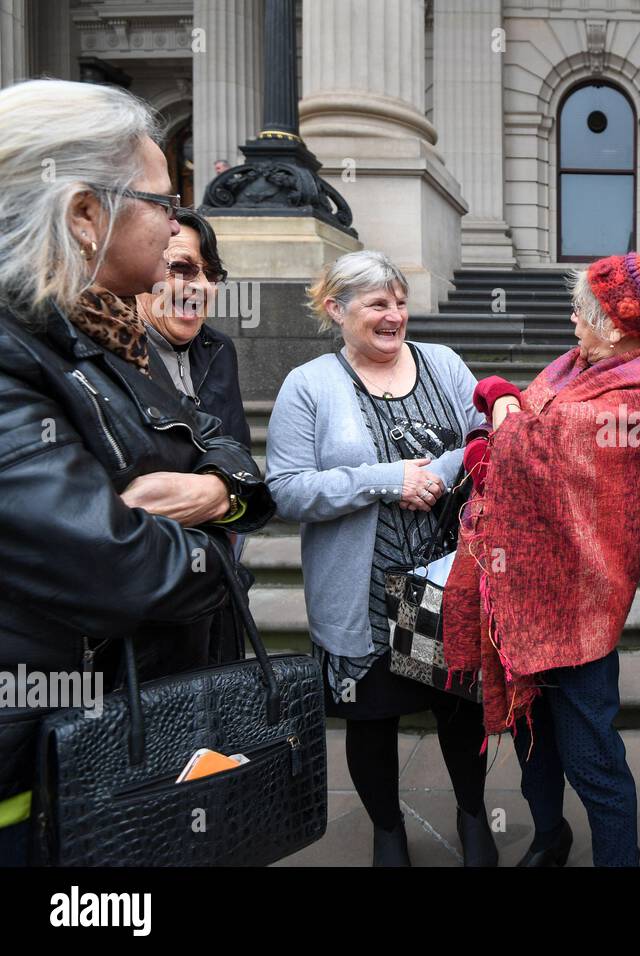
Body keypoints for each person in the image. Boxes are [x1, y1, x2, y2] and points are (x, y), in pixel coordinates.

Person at [0, 79, 274, 866]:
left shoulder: (87, 341)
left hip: (115, 742)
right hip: (39, 787)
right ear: (85, 214)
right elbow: (119, 567)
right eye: (161, 198)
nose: (176, 217)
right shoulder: (21, 350)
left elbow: (220, 447)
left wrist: (217, 492)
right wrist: (222, 560)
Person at [442, 252, 640, 867]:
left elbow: (543, 441)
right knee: (532, 740)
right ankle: (551, 838)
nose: (573, 319)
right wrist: (507, 412)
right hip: (522, 588)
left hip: (580, 600)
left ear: (619, 323)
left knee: (592, 757)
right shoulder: (579, 361)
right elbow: (529, 419)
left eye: (584, 310)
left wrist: (498, 401)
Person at [265, 250, 496, 867]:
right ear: (336, 309)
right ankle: (388, 830)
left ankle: (475, 819)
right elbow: (286, 489)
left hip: (445, 580)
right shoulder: (308, 385)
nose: (395, 316)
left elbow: (486, 434)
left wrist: (441, 474)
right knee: (372, 719)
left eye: (400, 301)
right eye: (378, 304)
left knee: (458, 709)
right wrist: (385, 480)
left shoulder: (441, 362)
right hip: (361, 591)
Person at [135, 207, 250, 448]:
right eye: (181, 268)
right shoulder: (114, 351)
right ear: (139, 271)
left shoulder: (220, 349)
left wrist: (218, 480)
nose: (204, 287)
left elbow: (239, 449)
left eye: (211, 274)